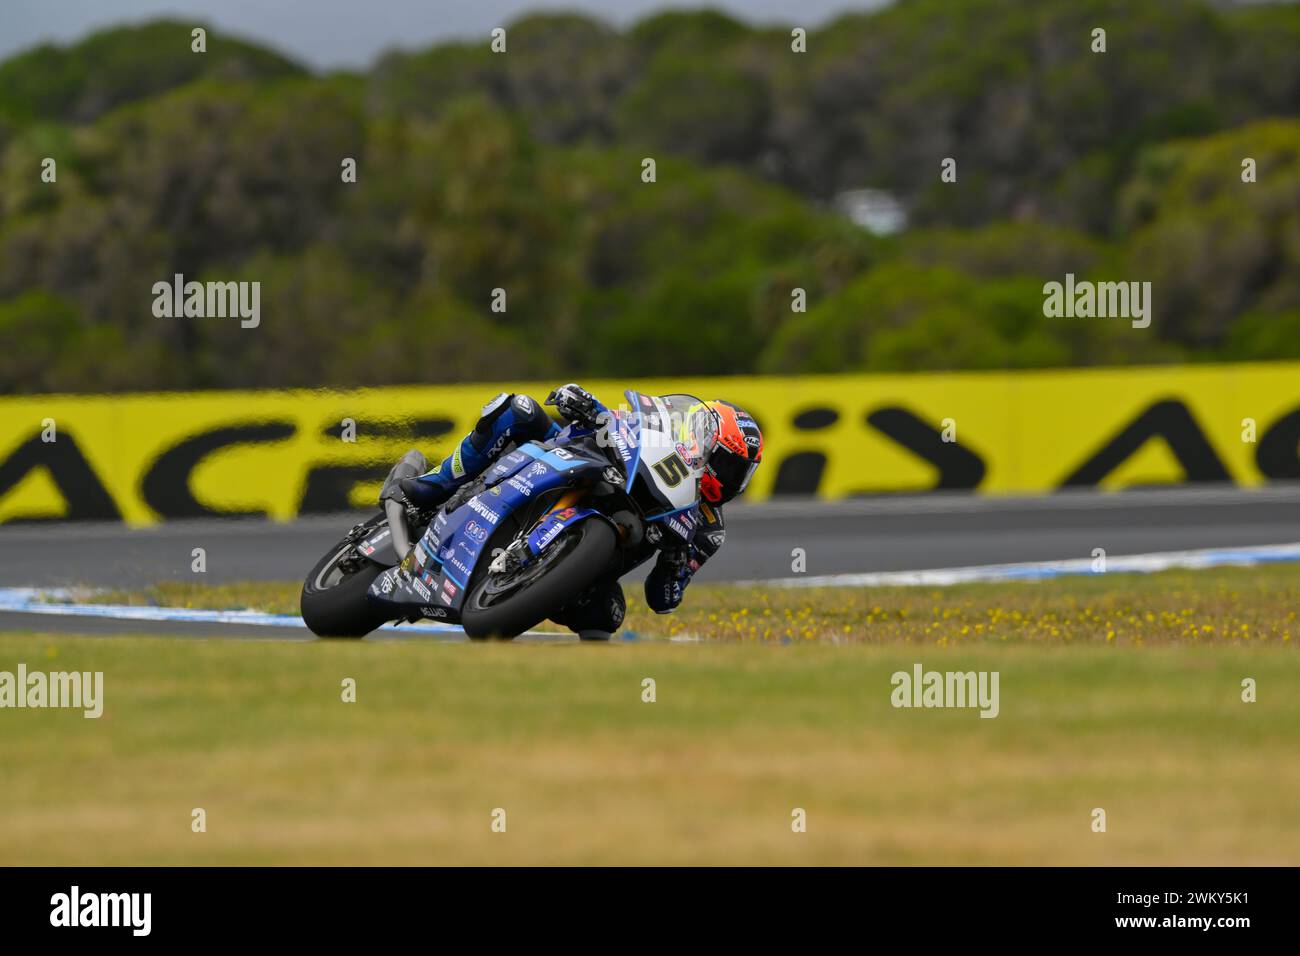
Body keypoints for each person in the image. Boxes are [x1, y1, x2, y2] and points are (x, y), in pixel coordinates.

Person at [380, 384, 763, 639]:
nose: (731, 479)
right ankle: (430, 486)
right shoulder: (667, 433)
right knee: (518, 410)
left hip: (588, 569)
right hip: (572, 462)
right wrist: (583, 403)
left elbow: (662, 599)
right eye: (728, 464)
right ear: (705, 440)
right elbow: (619, 421)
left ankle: (530, 597)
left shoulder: (708, 531)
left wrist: (676, 563)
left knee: (608, 616)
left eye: (741, 473)